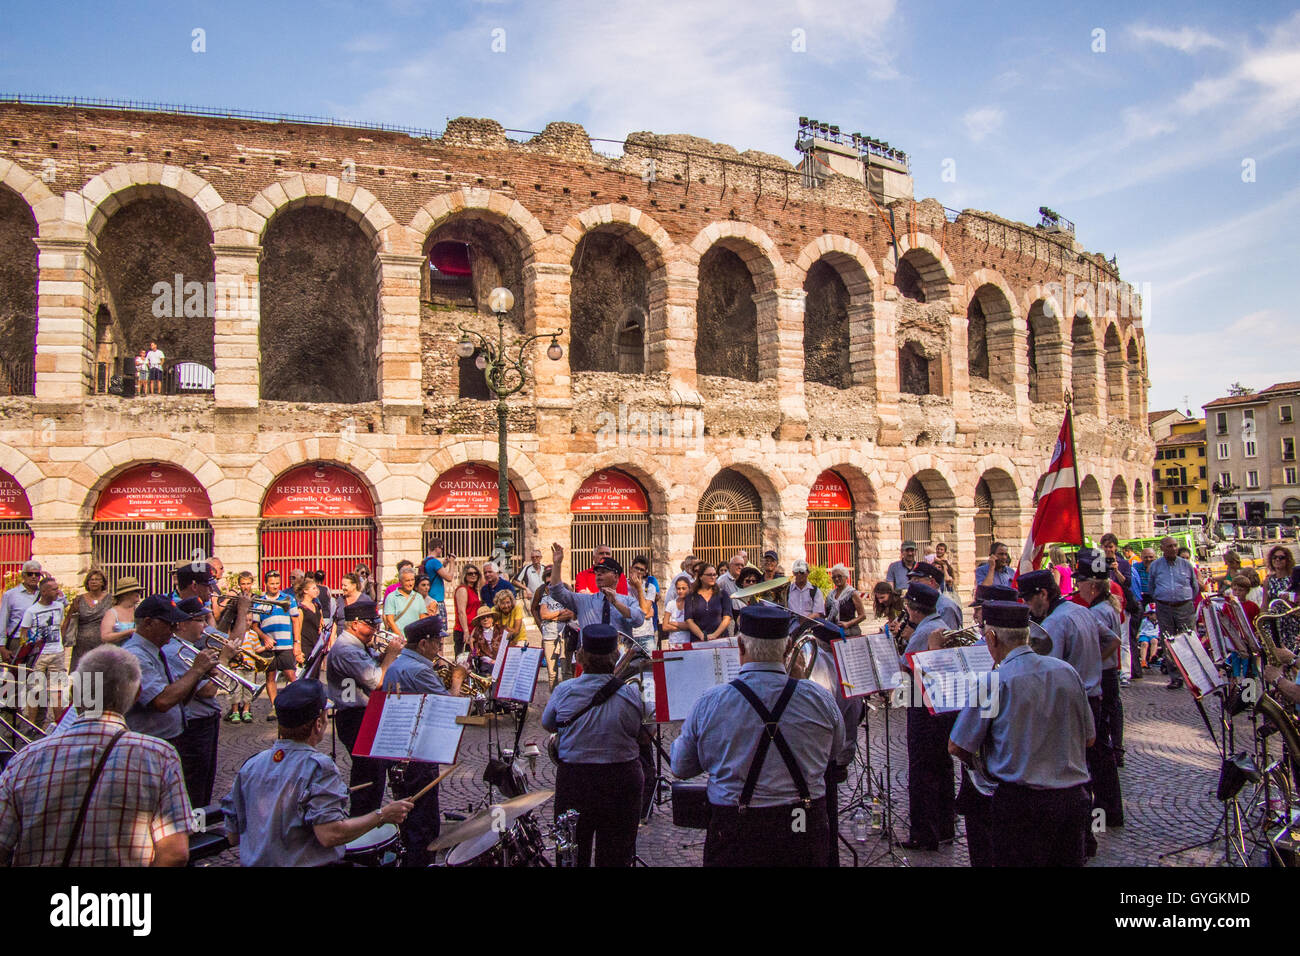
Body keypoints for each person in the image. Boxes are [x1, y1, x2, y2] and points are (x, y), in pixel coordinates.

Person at [671, 604, 844, 867]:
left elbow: (681, 767)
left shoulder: (711, 702)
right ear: (787, 649)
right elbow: (835, 752)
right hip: (802, 823)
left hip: (737, 827)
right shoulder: (820, 697)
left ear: (740, 647)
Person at [0, 645, 193, 865]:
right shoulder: (160, 756)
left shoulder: (25, 758)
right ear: (137, 694)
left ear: (73, 692)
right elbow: (175, 853)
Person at [948, 601, 1095, 867]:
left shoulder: (995, 681)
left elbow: (958, 746)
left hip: (1020, 804)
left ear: (991, 638)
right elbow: (1090, 739)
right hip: (1071, 801)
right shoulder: (1067, 672)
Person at [221, 679, 413, 867]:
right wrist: (383, 814)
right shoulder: (318, 767)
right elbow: (330, 834)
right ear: (318, 724)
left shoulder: (252, 764)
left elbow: (233, 835)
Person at [1018, 568, 1120, 852]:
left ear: (1043, 594)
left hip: (1070, 704)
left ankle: (1080, 840)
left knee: (1070, 773)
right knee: (1086, 766)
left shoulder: (1055, 623)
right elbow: (1113, 641)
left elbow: (1047, 673)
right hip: (1093, 697)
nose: (1027, 606)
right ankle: (1089, 834)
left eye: (1028, 600)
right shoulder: (1082, 610)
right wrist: (1094, 665)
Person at [541, 622, 646, 867]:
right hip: (621, 780)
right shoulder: (631, 694)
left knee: (572, 853)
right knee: (616, 855)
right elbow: (641, 733)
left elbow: (549, 724)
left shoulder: (564, 690)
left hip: (576, 780)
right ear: (616, 656)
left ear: (580, 657)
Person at [383, 616, 464, 867]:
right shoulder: (418, 669)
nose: (440, 648)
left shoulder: (399, 664)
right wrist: (458, 678)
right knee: (425, 823)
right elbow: (449, 708)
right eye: (437, 642)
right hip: (419, 754)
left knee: (409, 820)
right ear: (422, 645)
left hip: (400, 750)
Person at [326, 601, 405, 815]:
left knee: (375, 775)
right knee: (369, 777)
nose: (375, 631)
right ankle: (363, 828)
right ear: (355, 624)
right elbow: (376, 680)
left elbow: (370, 669)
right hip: (355, 718)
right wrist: (390, 655)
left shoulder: (355, 646)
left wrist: (380, 657)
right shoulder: (346, 650)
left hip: (362, 715)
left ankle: (369, 823)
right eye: (371, 626)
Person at [898, 581, 956, 850]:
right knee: (942, 767)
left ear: (912, 609)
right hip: (943, 707)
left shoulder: (923, 631)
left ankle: (924, 833)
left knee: (922, 772)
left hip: (923, 705)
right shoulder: (941, 622)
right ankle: (945, 827)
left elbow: (904, 665)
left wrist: (895, 640)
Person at [121, 595, 218, 745]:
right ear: (148, 623)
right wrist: (196, 670)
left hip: (169, 737)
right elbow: (162, 701)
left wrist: (199, 676)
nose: (175, 629)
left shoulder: (155, 651)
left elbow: (178, 700)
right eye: (170, 624)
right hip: (151, 741)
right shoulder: (135, 655)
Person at [167, 596, 235, 807]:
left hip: (205, 721)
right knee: (195, 789)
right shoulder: (176, 651)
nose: (205, 626)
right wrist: (224, 658)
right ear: (182, 623)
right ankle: (196, 834)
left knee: (204, 785)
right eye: (200, 620)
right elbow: (207, 690)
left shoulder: (191, 648)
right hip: (194, 726)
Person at [807, 621, 865, 866]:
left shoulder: (816, 669)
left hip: (821, 757)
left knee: (818, 816)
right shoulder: (847, 668)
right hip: (839, 752)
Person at [1072, 550, 1125, 816]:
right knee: (1102, 748)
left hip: (1102, 677)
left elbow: (1112, 642)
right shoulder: (1106, 606)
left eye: (1079, 581)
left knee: (1098, 748)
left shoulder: (1098, 613)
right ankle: (1110, 806)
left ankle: (1105, 807)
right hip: (1108, 674)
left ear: (1092, 585)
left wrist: (1091, 661)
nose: (1076, 586)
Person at [548, 545, 644, 643]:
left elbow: (638, 620)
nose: (598, 574)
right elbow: (557, 592)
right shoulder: (584, 600)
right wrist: (557, 564)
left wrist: (616, 603)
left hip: (618, 656)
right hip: (590, 656)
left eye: (604, 571)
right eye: (597, 572)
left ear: (615, 577)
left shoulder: (628, 601)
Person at [1149, 536, 1201, 689]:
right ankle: (1175, 677)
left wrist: (1185, 599)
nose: (1173, 549)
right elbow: (1151, 587)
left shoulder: (1186, 565)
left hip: (1184, 606)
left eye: (1175, 545)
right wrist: (1162, 598)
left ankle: (1192, 675)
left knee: (1187, 639)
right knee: (1169, 641)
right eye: (1169, 546)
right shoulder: (1156, 566)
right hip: (1164, 607)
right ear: (1163, 548)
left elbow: (1194, 586)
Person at [16, 576, 67, 727]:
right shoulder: (31, 611)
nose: (57, 591)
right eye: (54, 589)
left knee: (57, 690)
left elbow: (60, 625)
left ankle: (58, 724)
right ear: (44, 592)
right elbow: (23, 633)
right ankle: (31, 724)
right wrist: (29, 647)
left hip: (57, 652)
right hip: (39, 655)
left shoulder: (59, 607)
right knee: (35, 690)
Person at [253, 570, 301, 716]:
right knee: (270, 676)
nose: (275, 586)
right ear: (265, 584)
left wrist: (297, 642)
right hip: (269, 644)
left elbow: (295, 620)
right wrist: (265, 638)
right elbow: (254, 625)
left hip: (285, 643)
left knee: (291, 675)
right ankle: (275, 707)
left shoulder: (288, 598)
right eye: (272, 583)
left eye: (277, 583)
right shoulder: (259, 601)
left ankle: (295, 705)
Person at [532, 566, 573, 686]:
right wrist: (541, 624)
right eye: (548, 578)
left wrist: (553, 617)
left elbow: (570, 612)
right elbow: (538, 611)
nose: (551, 581)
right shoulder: (541, 592)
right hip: (549, 633)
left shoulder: (566, 588)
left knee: (567, 669)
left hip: (565, 632)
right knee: (552, 671)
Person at [0, 560, 49, 660]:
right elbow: (2, 622)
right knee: (19, 674)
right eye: (30, 574)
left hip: (40, 641)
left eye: (37, 574)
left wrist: (49, 582)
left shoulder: (45, 594)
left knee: (39, 674)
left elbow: (63, 602)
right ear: (23, 575)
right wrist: (2, 647)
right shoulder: (11, 595)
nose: (34, 577)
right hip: (18, 641)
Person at [64, 568, 109, 670]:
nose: (94, 582)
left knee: (98, 676)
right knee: (82, 678)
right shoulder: (79, 600)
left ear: (103, 582)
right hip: (81, 645)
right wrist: (62, 638)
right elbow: (68, 619)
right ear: (87, 583)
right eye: (91, 579)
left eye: (97, 579)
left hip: (101, 643)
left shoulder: (110, 600)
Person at [1263, 545, 1299, 653]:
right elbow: (1265, 603)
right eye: (1274, 557)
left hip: (1292, 619)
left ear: (1287, 560)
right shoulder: (1268, 580)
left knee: (1293, 653)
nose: (1277, 560)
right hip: (1276, 620)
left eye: (1281, 557)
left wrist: (1289, 598)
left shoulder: (1294, 578)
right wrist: (1262, 622)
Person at [681, 564, 730, 642]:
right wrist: (702, 636)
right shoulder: (691, 596)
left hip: (720, 639)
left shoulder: (723, 594)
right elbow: (689, 620)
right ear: (700, 577)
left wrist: (715, 635)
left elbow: (727, 618)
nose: (713, 577)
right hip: (698, 640)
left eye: (714, 575)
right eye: (709, 575)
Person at [907, 561, 963, 630]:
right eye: (911, 581)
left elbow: (948, 638)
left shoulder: (945, 607)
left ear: (932, 582)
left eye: (916, 581)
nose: (913, 585)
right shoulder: (921, 604)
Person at [383, 567, 425, 639]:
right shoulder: (391, 597)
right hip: (397, 639)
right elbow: (390, 620)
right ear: (400, 581)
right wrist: (401, 637)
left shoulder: (419, 597)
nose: (411, 583)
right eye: (407, 581)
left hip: (414, 640)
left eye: (412, 580)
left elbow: (422, 619)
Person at [627, 557, 659, 652]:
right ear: (630, 569)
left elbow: (644, 610)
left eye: (642, 570)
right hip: (629, 635)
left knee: (651, 665)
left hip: (646, 635)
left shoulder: (650, 587)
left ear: (645, 573)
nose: (638, 572)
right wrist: (641, 614)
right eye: (636, 568)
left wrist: (639, 588)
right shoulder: (623, 585)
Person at [825, 564, 866, 636]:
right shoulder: (830, 595)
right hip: (833, 631)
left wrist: (848, 624)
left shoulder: (852, 593)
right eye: (834, 577)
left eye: (839, 576)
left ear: (846, 577)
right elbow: (824, 613)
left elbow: (862, 615)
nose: (837, 579)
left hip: (850, 632)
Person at [452, 564, 482, 658]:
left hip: (473, 629)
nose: (473, 575)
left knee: (471, 658)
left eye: (476, 573)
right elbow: (461, 612)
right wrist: (466, 631)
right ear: (465, 575)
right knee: (462, 659)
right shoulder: (462, 589)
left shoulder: (474, 590)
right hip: (463, 630)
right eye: (470, 573)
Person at [786, 560, 826, 624]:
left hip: (810, 628)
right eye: (796, 572)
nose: (799, 574)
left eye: (802, 572)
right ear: (793, 573)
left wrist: (804, 621)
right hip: (791, 628)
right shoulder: (787, 590)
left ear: (808, 573)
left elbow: (818, 613)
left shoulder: (815, 591)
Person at [296, 576, 324, 662]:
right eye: (313, 588)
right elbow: (298, 629)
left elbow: (321, 623)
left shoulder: (317, 606)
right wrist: (298, 650)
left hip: (316, 644)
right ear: (305, 591)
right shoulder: (301, 608)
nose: (316, 590)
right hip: (305, 645)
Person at [660, 574, 692, 645]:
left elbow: (691, 626)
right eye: (678, 588)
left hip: (688, 643)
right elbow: (665, 627)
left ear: (689, 588)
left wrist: (672, 623)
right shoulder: (671, 604)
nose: (680, 591)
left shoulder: (692, 603)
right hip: (673, 643)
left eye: (683, 588)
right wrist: (684, 626)